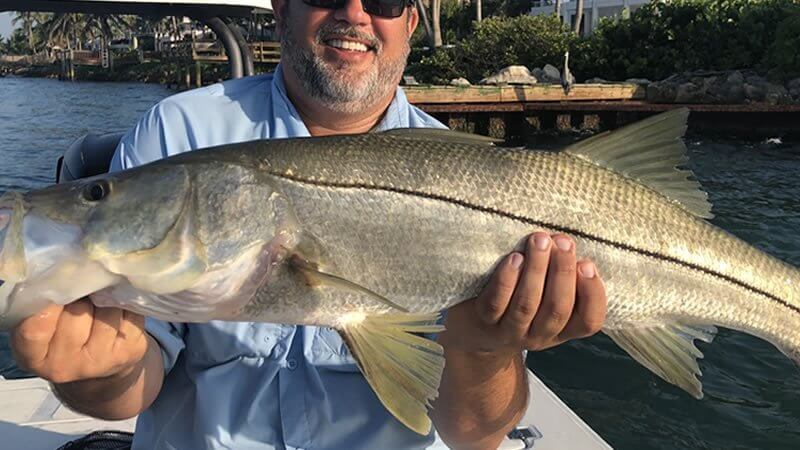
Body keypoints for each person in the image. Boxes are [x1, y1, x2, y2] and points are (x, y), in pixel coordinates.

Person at [10, 0, 608, 448]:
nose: (354, 12)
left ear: (411, 23)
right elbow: (135, 380)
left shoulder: (476, 176)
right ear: (280, 7)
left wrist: (485, 353)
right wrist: (103, 372)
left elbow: (473, 435)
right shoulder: (179, 132)